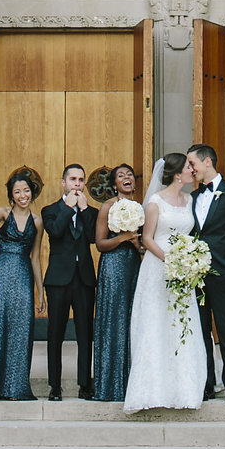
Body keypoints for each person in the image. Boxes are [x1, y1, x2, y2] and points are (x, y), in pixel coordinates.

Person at [123, 153, 205, 412]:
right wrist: (171, 260)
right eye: (188, 167)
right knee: (156, 325)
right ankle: (151, 390)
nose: (193, 170)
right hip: (158, 270)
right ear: (177, 174)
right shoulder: (156, 202)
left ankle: (183, 389)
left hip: (183, 272)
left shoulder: (190, 199)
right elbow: (147, 238)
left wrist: (188, 261)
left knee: (180, 324)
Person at [187, 142, 225, 404]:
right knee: (201, 332)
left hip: (222, 271)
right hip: (194, 274)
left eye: (193, 164)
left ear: (207, 162)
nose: (190, 170)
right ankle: (206, 383)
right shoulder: (191, 197)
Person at [0, 167, 45, 401]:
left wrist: (40, 293)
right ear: (11, 195)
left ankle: (16, 386)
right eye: (17, 192)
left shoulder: (37, 221)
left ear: (32, 192)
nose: (22, 195)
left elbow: (36, 257)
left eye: (26, 190)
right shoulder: (4, 213)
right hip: (0, 272)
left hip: (23, 274)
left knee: (20, 328)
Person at [41, 162, 98, 401]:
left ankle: (85, 384)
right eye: (73, 179)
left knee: (85, 333)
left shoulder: (91, 211)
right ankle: (55, 386)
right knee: (56, 333)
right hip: (58, 279)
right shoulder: (51, 210)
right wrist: (68, 208)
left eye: (81, 180)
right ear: (63, 183)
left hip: (83, 278)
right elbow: (55, 231)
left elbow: (94, 238)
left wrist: (84, 210)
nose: (77, 184)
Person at [93, 162, 144, 402]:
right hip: (113, 266)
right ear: (114, 184)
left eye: (130, 175)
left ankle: (132, 381)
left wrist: (136, 244)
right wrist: (123, 238)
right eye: (121, 176)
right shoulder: (107, 207)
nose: (127, 178)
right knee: (114, 320)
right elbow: (100, 243)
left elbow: (144, 244)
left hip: (135, 264)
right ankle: (110, 383)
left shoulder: (141, 207)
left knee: (133, 319)